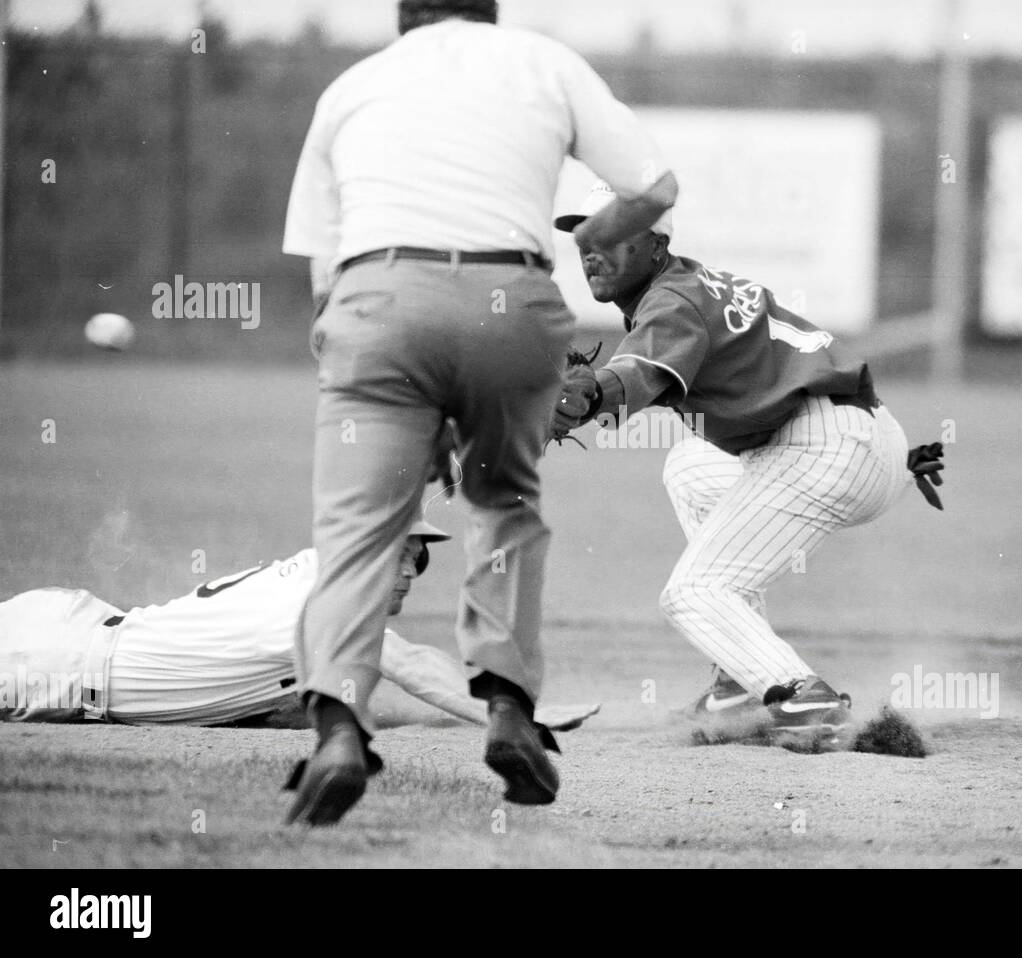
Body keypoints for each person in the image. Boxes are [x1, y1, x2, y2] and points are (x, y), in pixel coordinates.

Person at [281, 0, 675, 822]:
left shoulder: (351, 87)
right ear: (488, 10)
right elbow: (654, 188)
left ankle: (340, 729)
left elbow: (323, 282)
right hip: (509, 298)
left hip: (377, 298)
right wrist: (593, 234)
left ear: (405, 15)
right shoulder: (545, 63)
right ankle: (507, 708)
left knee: (359, 529)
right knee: (503, 502)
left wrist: (376, 388)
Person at [550, 181, 945, 746]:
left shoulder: (673, 301)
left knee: (693, 593)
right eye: (583, 239)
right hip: (861, 440)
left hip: (827, 448)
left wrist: (591, 395)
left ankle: (804, 697)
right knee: (689, 470)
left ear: (656, 244)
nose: (591, 250)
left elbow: (639, 375)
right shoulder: (686, 286)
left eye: (609, 235)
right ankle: (738, 680)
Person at [0, 519, 599, 732]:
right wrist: (515, 714)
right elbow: (412, 665)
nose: (412, 572)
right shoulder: (328, 601)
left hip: (65, 625)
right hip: (53, 666)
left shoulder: (311, 579)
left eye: (419, 559)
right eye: (401, 553)